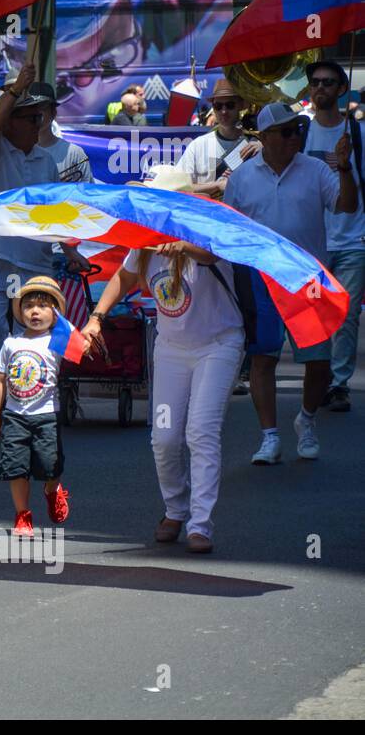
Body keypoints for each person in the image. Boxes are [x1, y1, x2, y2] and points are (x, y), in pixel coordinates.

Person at [82, 169, 244, 554]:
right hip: (171, 348)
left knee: (201, 432)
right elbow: (123, 278)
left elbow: (212, 254)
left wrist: (184, 247)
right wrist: (96, 318)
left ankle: (200, 523)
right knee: (165, 437)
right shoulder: (145, 240)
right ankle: (175, 509)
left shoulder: (204, 228)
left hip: (217, 345)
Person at [224, 103, 359, 463]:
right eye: (285, 132)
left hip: (307, 278)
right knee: (263, 357)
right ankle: (269, 437)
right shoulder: (241, 178)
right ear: (265, 138)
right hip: (261, 278)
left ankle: (307, 419)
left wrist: (345, 167)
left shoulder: (316, 169)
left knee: (319, 362)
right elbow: (229, 231)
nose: (294, 136)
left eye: (297, 129)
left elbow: (347, 205)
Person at [0, 63, 88, 427]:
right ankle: (1, 391)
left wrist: (70, 250)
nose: (39, 125)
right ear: (10, 123)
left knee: (37, 333)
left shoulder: (46, 163)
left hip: (34, 261)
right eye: (30, 119)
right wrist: (16, 88)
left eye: (41, 118)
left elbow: (55, 216)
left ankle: (31, 400)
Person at [298, 61, 365, 413]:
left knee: (348, 315)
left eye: (327, 82)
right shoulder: (301, 133)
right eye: (315, 82)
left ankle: (339, 385)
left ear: (341, 89)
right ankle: (318, 378)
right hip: (313, 242)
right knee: (315, 313)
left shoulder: (358, 134)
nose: (319, 87)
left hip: (353, 239)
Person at [0, 276, 73, 537]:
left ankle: (51, 489)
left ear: (54, 313)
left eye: (43, 306)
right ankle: (23, 515)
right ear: (20, 312)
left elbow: (81, 350)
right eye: (29, 305)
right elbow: (0, 379)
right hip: (15, 416)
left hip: (47, 416)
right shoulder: (12, 343)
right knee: (15, 466)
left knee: (50, 464)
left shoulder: (57, 342)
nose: (35, 311)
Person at [176, 78, 260, 197]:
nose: (224, 111)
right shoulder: (198, 145)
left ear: (241, 105)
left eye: (230, 105)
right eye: (218, 106)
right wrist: (217, 186)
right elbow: (179, 188)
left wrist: (266, 150)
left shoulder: (255, 144)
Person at [34, 83, 94, 182]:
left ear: (53, 113)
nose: (37, 113)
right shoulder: (18, 154)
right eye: (32, 108)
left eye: (42, 107)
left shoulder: (74, 153)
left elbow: (86, 194)